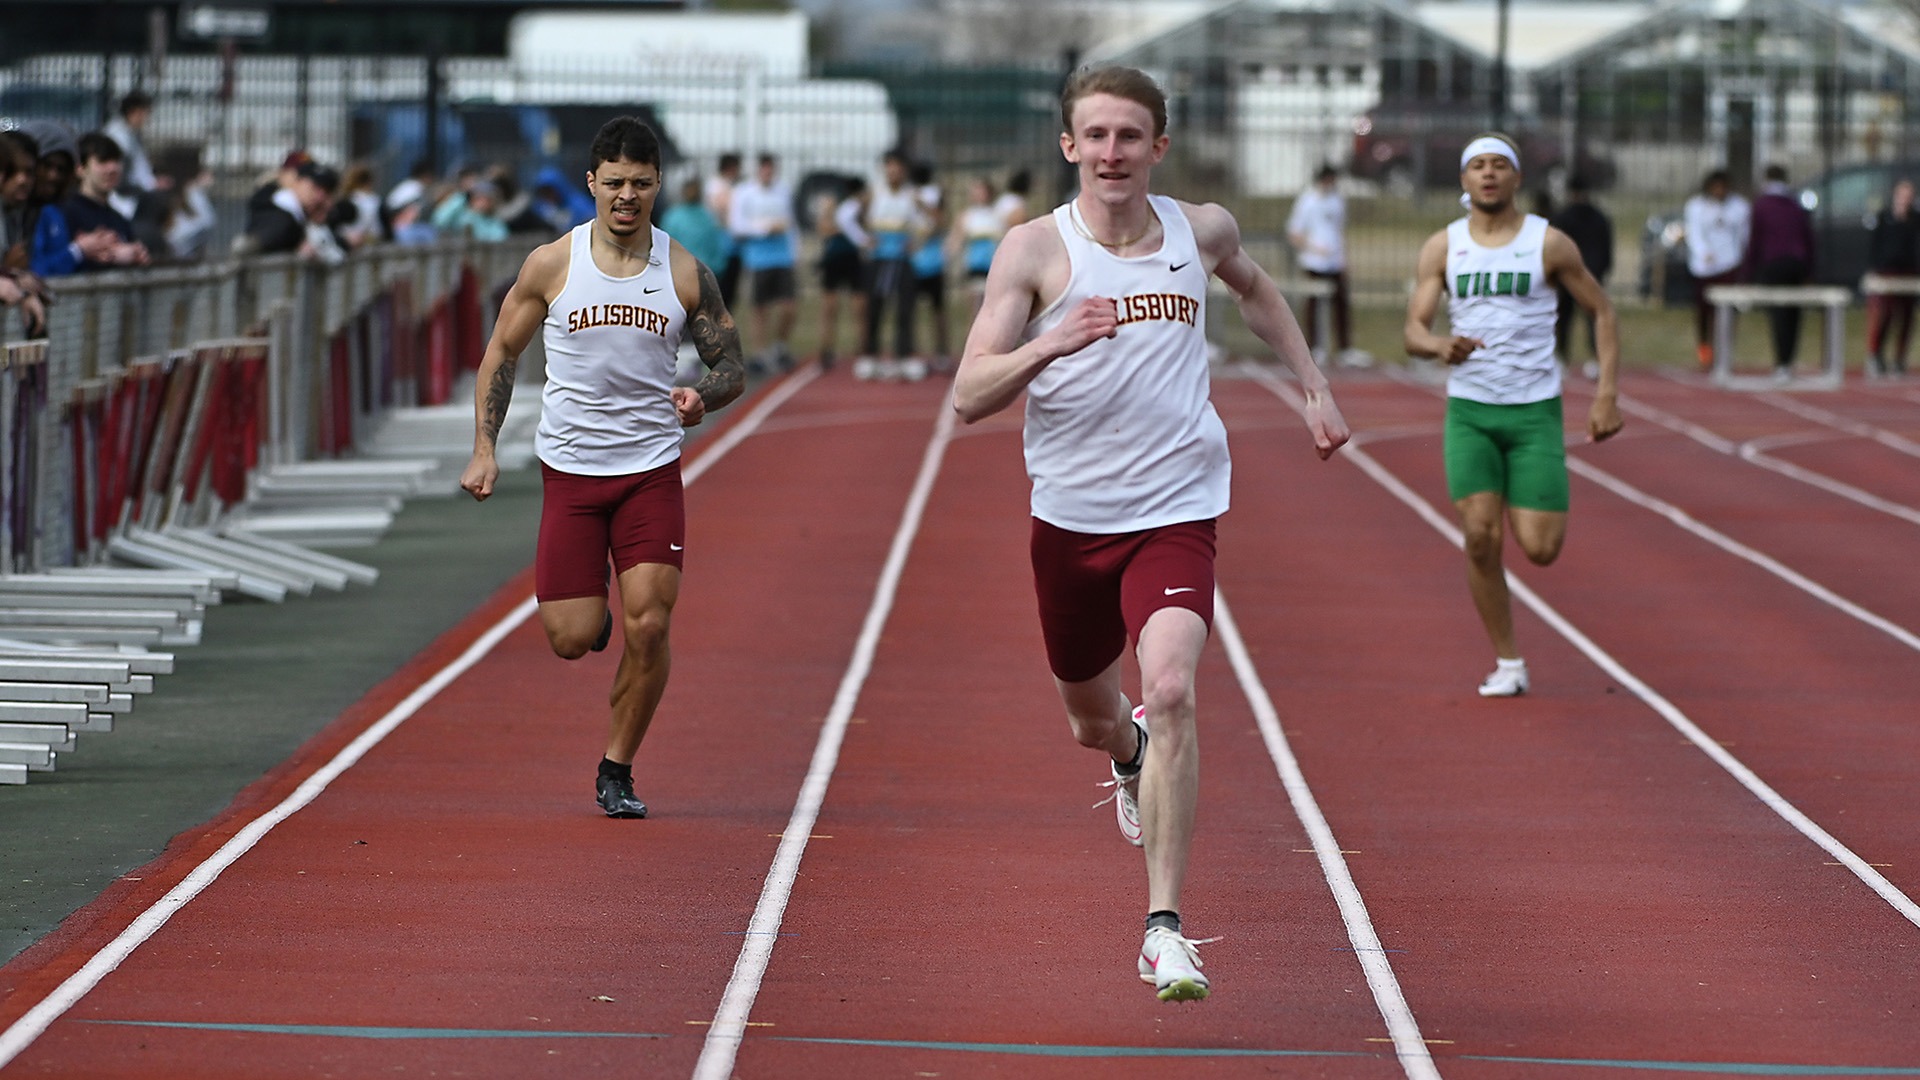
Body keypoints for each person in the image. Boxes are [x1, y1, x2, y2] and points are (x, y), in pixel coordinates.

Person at [952, 65, 1349, 1003]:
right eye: (1096, 136)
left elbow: (1256, 292)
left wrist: (1313, 383)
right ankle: (1127, 758)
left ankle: (1163, 928)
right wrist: (1051, 340)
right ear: (1069, 146)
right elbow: (969, 395)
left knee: (1169, 687)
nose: (1112, 153)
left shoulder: (1198, 229)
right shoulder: (1033, 251)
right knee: (1094, 719)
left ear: (1158, 147)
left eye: (1130, 136)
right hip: (1071, 521)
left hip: (1175, 508)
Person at [459, 116, 746, 821]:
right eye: (614, 183)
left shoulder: (683, 271)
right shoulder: (552, 264)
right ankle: (593, 621)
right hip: (572, 472)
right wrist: (485, 447)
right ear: (591, 183)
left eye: (641, 185)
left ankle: (616, 767)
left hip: (649, 470)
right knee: (569, 640)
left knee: (651, 626)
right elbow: (501, 354)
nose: (627, 197)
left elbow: (730, 364)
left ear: (657, 187)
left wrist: (700, 394)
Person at [1403, 133, 1623, 699]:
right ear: (1464, 180)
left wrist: (1605, 395)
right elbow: (1414, 329)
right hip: (1471, 412)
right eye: (1478, 165)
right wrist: (1437, 346)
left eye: (1500, 164)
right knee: (1479, 535)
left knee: (1542, 548)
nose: (1489, 174)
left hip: (1533, 413)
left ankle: (1527, 503)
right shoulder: (1443, 248)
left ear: (1517, 177)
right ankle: (1508, 661)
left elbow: (1601, 311)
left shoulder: (1547, 243)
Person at [33, 132, 148, 276]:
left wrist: (136, 255)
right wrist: (109, 255)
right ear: (80, 169)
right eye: (102, 161)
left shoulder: (119, 219)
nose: (112, 168)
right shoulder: (62, 213)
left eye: (117, 161)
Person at [1286, 163, 1367, 367]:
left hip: (1335, 262)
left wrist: (1343, 258)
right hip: (1314, 262)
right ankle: (1314, 347)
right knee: (1313, 306)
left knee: (1341, 304)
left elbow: (1339, 231)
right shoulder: (1307, 200)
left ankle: (1344, 349)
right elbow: (1295, 233)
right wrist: (1314, 249)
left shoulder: (1337, 201)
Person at [1744, 164, 1816, 383]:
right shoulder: (1796, 204)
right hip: (1797, 263)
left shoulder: (1762, 205)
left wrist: (1747, 274)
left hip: (1774, 264)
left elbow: (1755, 241)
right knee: (1794, 314)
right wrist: (1810, 271)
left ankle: (1782, 363)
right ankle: (1788, 361)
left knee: (1779, 315)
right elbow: (1809, 239)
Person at [726, 153, 798, 371]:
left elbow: (791, 222)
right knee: (760, 309)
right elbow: (736, 226)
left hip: (782, 256)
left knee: (789, 307)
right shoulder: (744, 193)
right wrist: (764, 228)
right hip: (758, 259)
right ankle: (759, 353)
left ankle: (780, 347)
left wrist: (796, 251)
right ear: (758, 170)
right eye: (764, 169)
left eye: (771, 169)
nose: (768, 173)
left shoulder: (783, 191)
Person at [859, 149, 919, 380]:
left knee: (904, 308)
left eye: (897, 167)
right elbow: (847, 216)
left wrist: (917, 241)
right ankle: (870, 355)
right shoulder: (874, 193)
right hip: (879, 260)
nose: (893, 171)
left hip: (902, 260)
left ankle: (903, 356)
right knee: (875, 307)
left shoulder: (911, 195)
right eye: (889, 166)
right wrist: (864, 239)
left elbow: (930, 221)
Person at [1683, 169, 1750, 371]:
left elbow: (1744, 235)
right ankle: (1705, 350)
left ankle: (1725, 353)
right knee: (1704, 311)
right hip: (1705, 267)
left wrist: (1740, 258)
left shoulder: (1739, 207)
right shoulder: (1696, 206)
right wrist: (1703, 252)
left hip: (1729, 264)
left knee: (1728, 312)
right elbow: (1694, 233)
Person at [1548, 174, 1614, 373]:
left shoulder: (1562, 216)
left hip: (1566, 276)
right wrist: (1603, 269)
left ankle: (1562, 358)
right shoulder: (1600, 216)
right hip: (1593, 273)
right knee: (1594, 318)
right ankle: (1596, 359)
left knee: (1564, 319)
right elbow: (1607, 247)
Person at [814, 176, 870, 369]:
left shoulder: (861, 206)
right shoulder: (833, 203)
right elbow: (824, 228)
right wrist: (843, 227)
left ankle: (862, 349)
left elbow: (868, 228)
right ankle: (826, 350)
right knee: (830, 307)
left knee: (860, 306)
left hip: (854, 259)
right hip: (834, 258)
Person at [1866, 178, 1920, 377]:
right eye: (1902, 195)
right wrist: (1874, 270)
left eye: (1909, 195)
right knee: (1884, 315)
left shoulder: (1915, 219)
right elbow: (1875, 244)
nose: (1905, 199)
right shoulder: (1884, 217)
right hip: (1887, 273)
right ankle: (1876, 355)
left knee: (1906, 318)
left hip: (1909, 273)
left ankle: (1899, 359)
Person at [243, 159, 345, 263]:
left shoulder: (300, 214)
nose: (320, 197)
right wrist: (296, 245)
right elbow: (264, 242)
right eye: (315, 187)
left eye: (327, 192)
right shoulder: (279, 211)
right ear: (297, 182)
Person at [904, 161, 947, 377]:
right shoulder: (907, 193)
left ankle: (941, 352)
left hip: (933, 260)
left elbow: (940, 221)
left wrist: (922, 205)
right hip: (912, 261)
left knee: (937, 309)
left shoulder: (934, 193)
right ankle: (913, 352)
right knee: (911, 309)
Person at [951, 175, 1006, 313]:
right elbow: (957, 240)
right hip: (974, 264)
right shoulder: (967, 216)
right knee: (975, 306)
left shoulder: (997, 214)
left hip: (992, 264)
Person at [101, 90, 157, 201]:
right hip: (123, 198)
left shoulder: (129, 133)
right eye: (145, 113)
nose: (146, 119)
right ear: (135, 112)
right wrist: (150, 184)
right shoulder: (118, 135)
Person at [704, 153, 743, 307]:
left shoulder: (732, 186)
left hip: (732, 240)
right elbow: (721, 207)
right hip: (721, 237)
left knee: (731, 284)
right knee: (722, 282)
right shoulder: (716, 185)